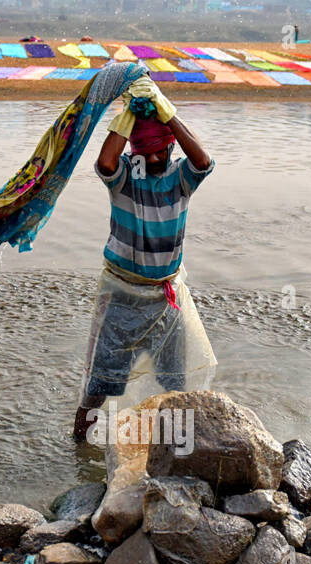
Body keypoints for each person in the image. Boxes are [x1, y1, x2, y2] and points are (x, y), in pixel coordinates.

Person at [72, 77, 216, 441]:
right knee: (99, 385)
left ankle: (176, 451)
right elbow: (105, 163)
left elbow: (203, 159)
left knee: (175, 386)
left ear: (170, 147)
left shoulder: (180, 178)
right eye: (144, 152)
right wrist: (124, 119)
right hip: (122, 296)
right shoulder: (125, 178)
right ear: (134, 152)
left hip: (166, 299)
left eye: (159, 151)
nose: (152, 159)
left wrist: (168, 112)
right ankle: (78, 450)